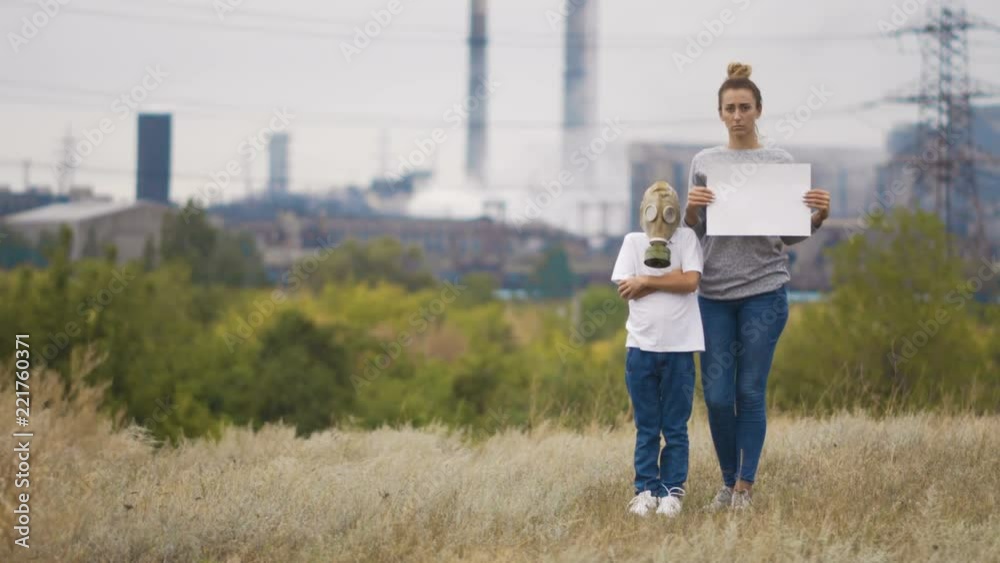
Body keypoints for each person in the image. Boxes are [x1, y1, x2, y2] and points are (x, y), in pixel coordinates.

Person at [684, 62, 831, 511]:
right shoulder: (704, 163)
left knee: (749, 390)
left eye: (745, 107)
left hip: (764, 291)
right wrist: (692, 207)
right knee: (715, 394)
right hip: (714, 295)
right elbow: (694, 231)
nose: (737, 115)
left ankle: (744, 489)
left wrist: (817, 218)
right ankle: (727, 483)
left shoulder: (779, 163)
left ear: (759, 110)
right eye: (729, 108)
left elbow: (786, 236)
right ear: (720, 113)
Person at [613, 181, 704, 517]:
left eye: (667, 214)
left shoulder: (687, 239)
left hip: (681, 349)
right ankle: (645, 489)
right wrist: (670, 278)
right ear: (642, 213)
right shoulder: (633, 243)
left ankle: (671, 491)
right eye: (654, 212)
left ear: (677, 214)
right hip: (641, 347)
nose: (660, 221)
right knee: (647, 425)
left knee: (676, 427)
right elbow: (626, 289)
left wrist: (647, 280)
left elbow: (691, 281)